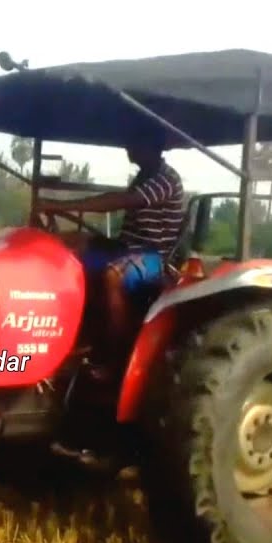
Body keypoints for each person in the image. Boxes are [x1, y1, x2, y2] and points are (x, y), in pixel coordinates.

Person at [34, 135, 185, 375]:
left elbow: (123, 201)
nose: (128, 146)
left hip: (154, 257)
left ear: (152, 146)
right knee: (69, 244)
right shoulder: (143, 175)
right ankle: (71, 334)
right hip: (126, 247)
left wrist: (60, 206)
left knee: (113, 274)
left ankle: (115, 355)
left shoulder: (165, 179)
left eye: (134, 142)